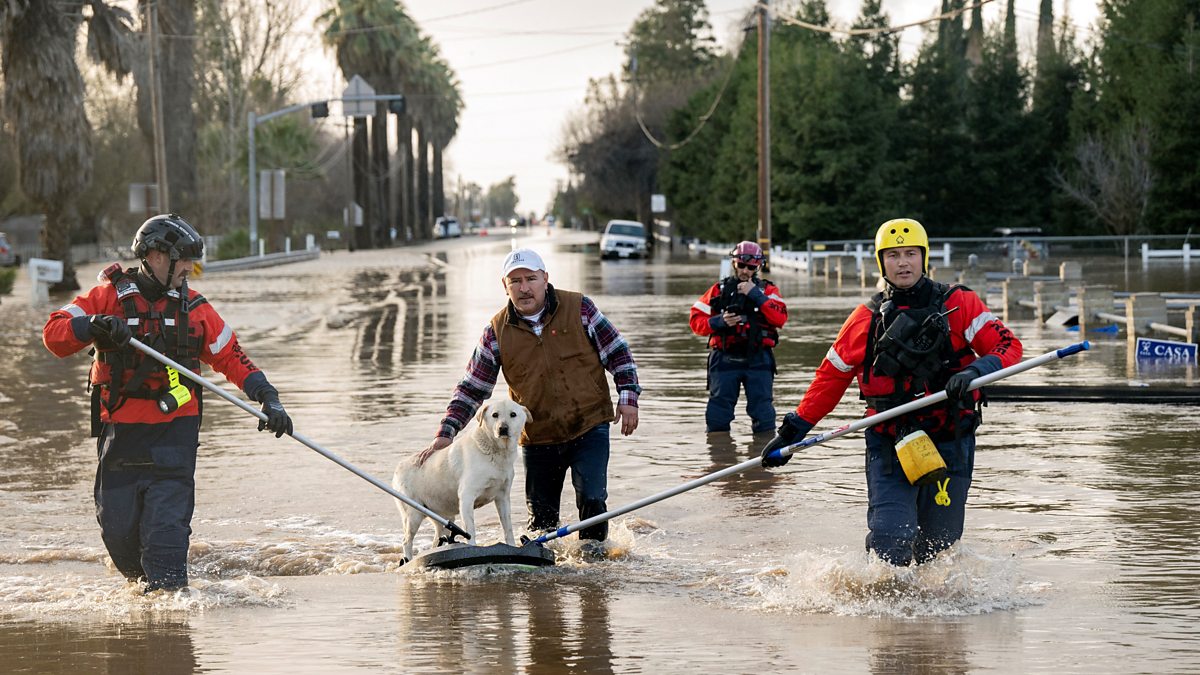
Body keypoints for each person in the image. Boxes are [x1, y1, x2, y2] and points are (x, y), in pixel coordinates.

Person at [43, 214, 293, 591]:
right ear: (156, 256)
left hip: (175, 437)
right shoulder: (107, 297)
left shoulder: (195, 308)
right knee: (121, 542)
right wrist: (94, 324)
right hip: (121, 436)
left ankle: (171, 625)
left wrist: (268, 398)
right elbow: (54, 335)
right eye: (184, 260)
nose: (190, 269)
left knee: (165, 553)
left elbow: (232, 357)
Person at [760, 218, 1022, 566]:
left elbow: (1008, 348)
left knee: (938, 552)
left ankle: (929, 619)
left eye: (911, 253)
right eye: (894, 255)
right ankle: (885, 616)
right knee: (890, 543)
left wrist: (976, 370)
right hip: (890, 441)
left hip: (950, 438)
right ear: (881, 262)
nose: (903, 263)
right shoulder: (864, 319)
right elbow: (830, 379)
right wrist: (792, 432)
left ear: (923, 257)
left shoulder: (961, 304)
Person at [418, 248, 640, 550]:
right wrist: (446, 434)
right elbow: (472, 389)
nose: (524, 288)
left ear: (545, 279)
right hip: (537, 435)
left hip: (589, 424)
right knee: (541, 524)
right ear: (505, 286)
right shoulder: (495, 332)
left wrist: (627, 397)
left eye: (530, 279)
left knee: (592, 497)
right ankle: (543, 575)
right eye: (515, 281)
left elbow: (617, 352)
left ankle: (593, 566)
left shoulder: (580, 308)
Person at [689, 241, 788, 433]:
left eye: (750, 267)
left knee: (764, 415)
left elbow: (781, 318)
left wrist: (756, 296)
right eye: (741, 265)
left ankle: (763, 455)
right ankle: (719, 459)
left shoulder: (768, 292)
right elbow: (695, 321)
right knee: (717, 415)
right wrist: (719, 322)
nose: (745, 271)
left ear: (758, 267)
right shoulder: (719, 290)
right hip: (725, 358)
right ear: (734, 264)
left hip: (758, 358)